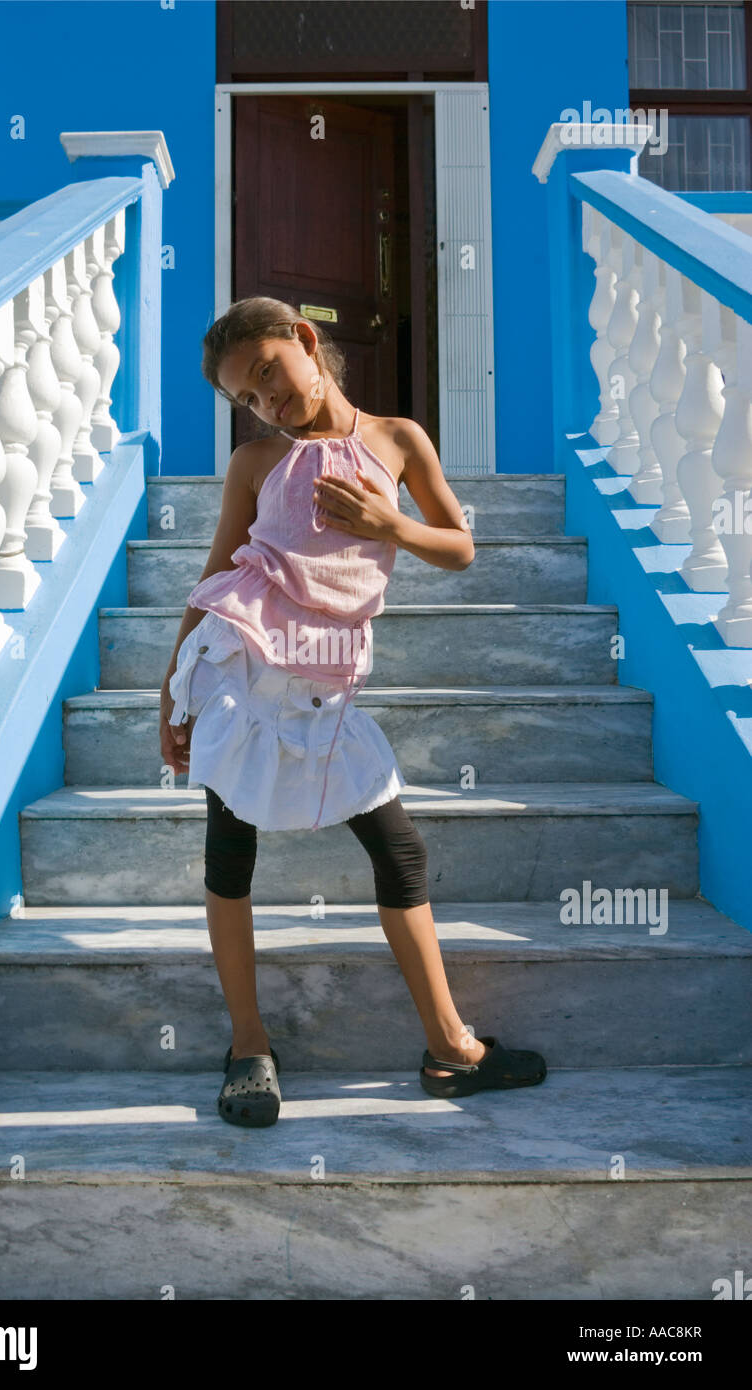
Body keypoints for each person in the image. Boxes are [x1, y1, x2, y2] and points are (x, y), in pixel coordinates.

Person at [159, 296, 546, 1126]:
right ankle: (249, 1047)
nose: (268, 401)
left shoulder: (397, 439)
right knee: (230, 855)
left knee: (398, 852)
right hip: (242, 673)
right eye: (249, 398)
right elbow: (217, 565)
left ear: (305, 340)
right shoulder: (257, 462)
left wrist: (389, 523)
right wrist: (172, 685)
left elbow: (461, 546)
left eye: (268, 372)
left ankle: (452, 1050)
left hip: (331, 683)